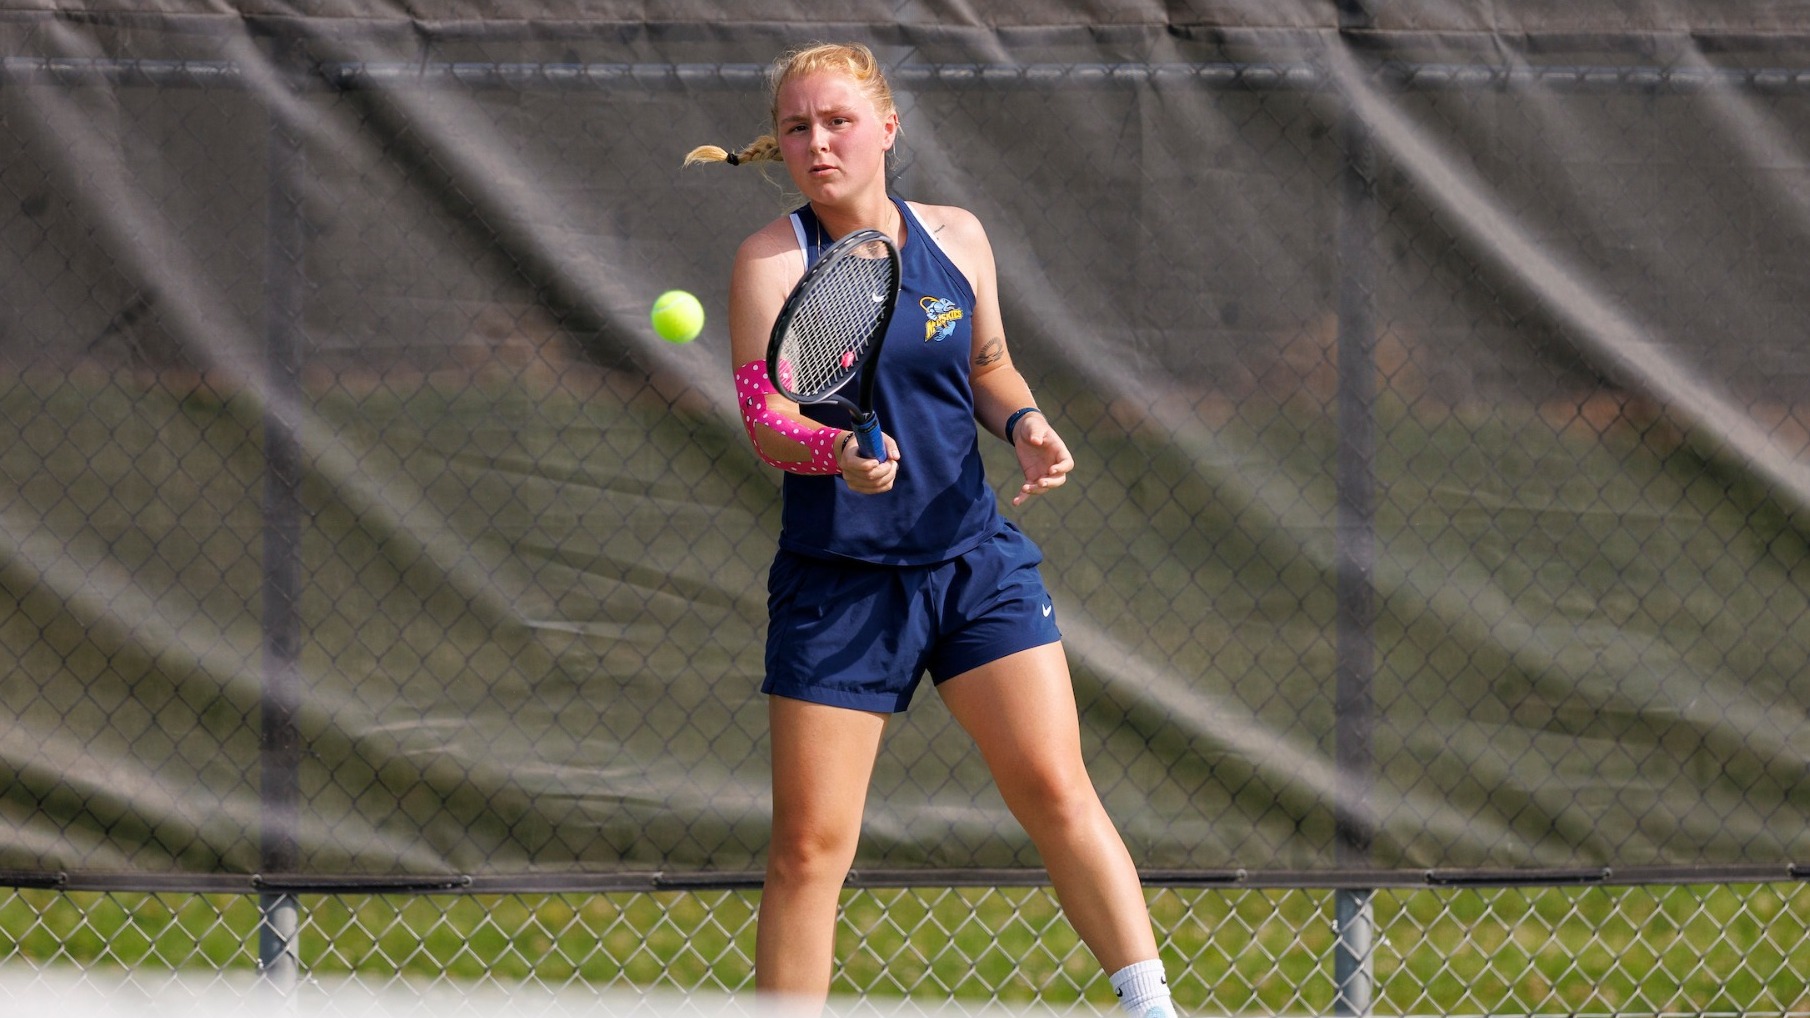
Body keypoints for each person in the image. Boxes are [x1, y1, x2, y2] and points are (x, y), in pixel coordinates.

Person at [685, 42, 1177, 1018]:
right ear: (778, 146)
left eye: (836, 121)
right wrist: (836, 457)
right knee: (808, 848)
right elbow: (768, 424)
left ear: (887, 127)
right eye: (796, 127)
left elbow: (988, 364)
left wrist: (1027, 424)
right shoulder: (769, 262)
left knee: (1055, 786)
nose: (817, 142)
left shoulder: (958, 234)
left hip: (972, 563)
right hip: (840, 586)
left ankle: (1152, 1008)